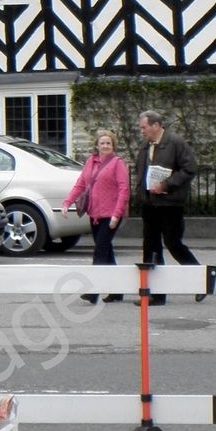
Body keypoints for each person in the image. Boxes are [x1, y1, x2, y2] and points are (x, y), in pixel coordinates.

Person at [129, 110, 201, 303]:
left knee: (173, 243)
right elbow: (141, 172)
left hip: (170, 204)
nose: (142, 131)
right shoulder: (145, 147)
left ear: (156, 125)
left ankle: (200, 280)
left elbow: (190, 168)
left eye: (144, 127)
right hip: (150, 204)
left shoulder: (176, 143)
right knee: (150, 247)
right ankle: (156, 293)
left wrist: (166, 185)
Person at [64, 130, 130, 303]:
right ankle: (117, 291)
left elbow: (124, 190)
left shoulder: (118, 163)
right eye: (103, 143)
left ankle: (93, 291)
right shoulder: (91, 162)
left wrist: (117, 214)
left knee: (100, 251)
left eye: (109, 143)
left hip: (111, 215)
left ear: (113, 146)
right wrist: (67, 202)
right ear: (97, 145)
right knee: (106, 251)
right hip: (95, 214)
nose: (106, 146)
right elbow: (81, 184)